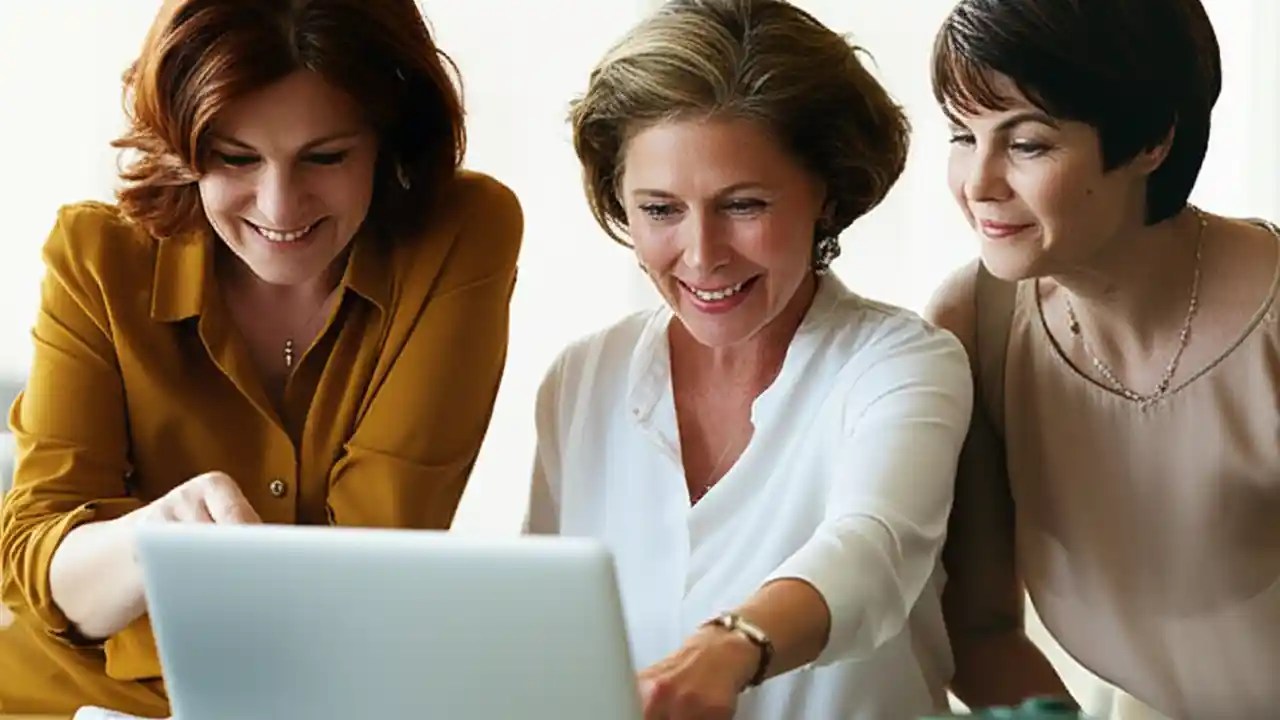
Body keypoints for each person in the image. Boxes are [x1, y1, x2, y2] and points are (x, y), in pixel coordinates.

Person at [0, 0, 522, 714]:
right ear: (184, 149)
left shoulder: (463, 235)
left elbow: (375, 558)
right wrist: (157, 538)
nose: (280, 208)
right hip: (71, 700)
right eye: (235, 159)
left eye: (326, 156)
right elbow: (42, 571)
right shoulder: (97, 257)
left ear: (388, 140)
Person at [526, 1, 974, 718]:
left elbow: (871, 551)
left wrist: (732, 647)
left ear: (825, 194)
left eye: (743, 205)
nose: (702, 256)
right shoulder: (583, 379)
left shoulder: (901, 364)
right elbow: (545, 633)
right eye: (660, 209)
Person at [926, 1, 1280, 718]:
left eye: (1027, 144)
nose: (979, 183)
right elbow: (982, 629)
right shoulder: (976, 321)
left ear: (1150, 139)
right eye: (965, 135)